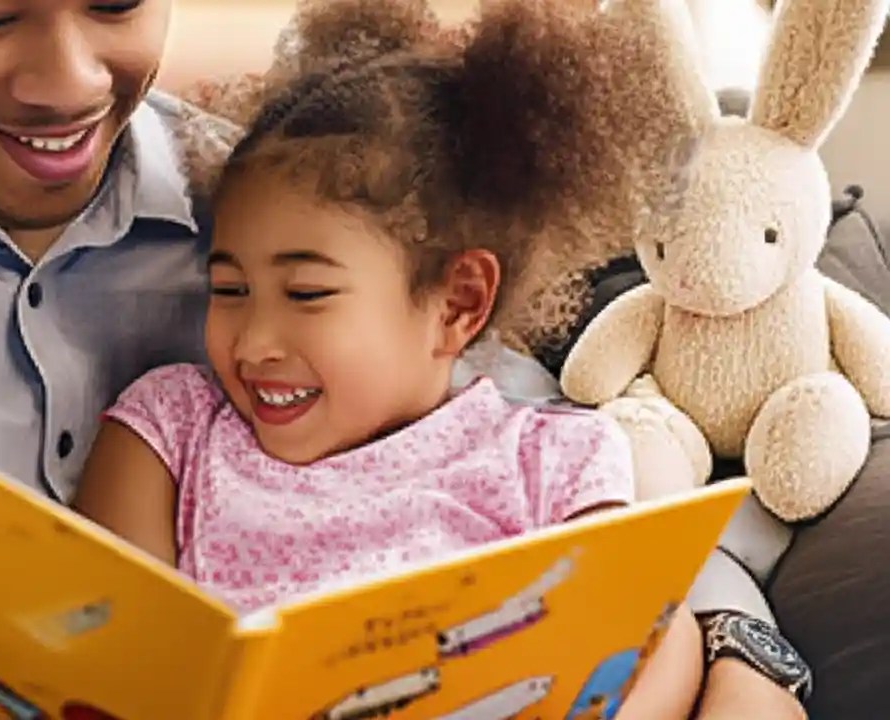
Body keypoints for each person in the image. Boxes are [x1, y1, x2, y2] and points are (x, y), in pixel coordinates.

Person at [0, 0, 804, 718]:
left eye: (118, 1)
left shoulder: (278, 197)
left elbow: (554, 492)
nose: (68, 81)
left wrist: (744, 658)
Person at [73, 4, 700, 717]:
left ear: (458, 303)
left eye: (306, 292)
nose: (252, 344)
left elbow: (659, 635)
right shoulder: (172, 431)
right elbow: (106, 645)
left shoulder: (552, 465)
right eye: (229, 289)